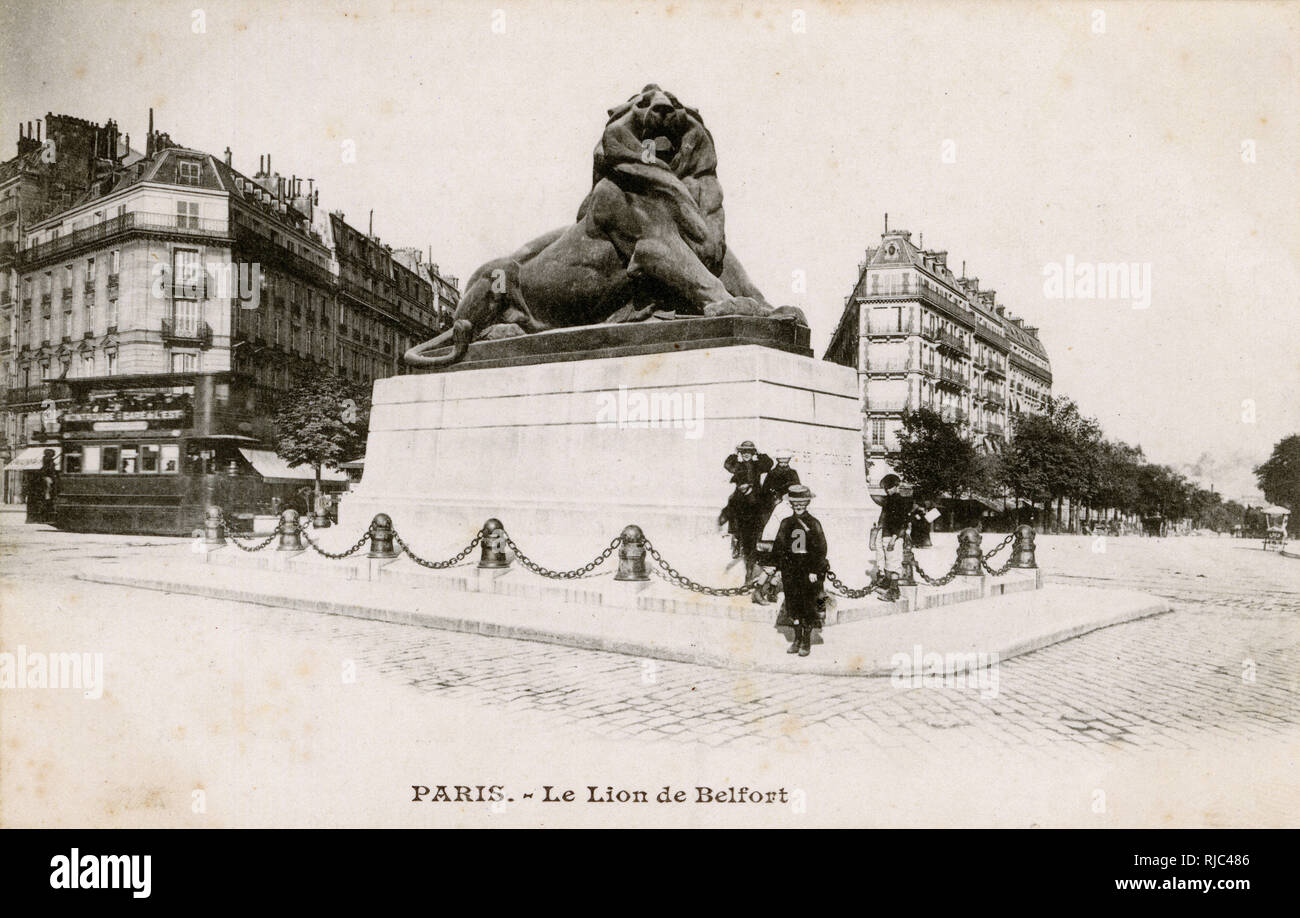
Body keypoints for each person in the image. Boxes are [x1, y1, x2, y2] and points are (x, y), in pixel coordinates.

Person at [772, 484, 829, 657]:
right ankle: (796, 639)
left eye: (803, 502)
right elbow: (779, 547)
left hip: (807, 572)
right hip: (791, 571)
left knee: (807, 606)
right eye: (796, 502)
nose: (799, 505)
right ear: (790, 504)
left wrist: (814, 570)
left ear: (807, 503)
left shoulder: (813, 523)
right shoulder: (786, 523)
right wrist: (778, 569)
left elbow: (821, 548)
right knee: (793, 606)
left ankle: (806, 640)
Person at [720, 440, 773, 578]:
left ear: (753, 453)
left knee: (761, 510)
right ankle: (736, 537)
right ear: (740, 453)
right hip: (741, 494)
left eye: (749, 452)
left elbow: (768, 464)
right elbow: (728, 465)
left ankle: (758, 533)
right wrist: (734, 453)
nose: (746, 455)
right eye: (743, 452)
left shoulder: (757, 465)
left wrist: (759, 454)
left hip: (755, 494)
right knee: (733, 505)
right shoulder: (738, 465)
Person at [875, 474, 909, 602]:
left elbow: (900, 521)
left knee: (894, 562)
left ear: (896, 486)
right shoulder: (889, 500)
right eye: (885, 488)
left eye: (889, 487)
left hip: (893, 536)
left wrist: (894, 538)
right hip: (887, 534)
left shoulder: (899, 501)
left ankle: (894, 591)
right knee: (887, 561)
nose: (887, 490)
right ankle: (889, 586)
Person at [759, 449, 800, 525]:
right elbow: (765, 491)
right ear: (778, 460)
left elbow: (797, 487)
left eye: (786, 462)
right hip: (774, 502)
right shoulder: (772, 473)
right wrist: (776, 498)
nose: (784, 464)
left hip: (790, 502)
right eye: (781, 462)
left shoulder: (793, 473)